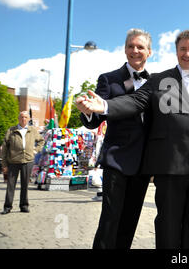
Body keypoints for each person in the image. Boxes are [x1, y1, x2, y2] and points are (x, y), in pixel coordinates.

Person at [76, 30, 189, 249]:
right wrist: (103, 106)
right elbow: (134, 102)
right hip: (166, 167)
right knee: (162, 228)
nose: (187, 54)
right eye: (182, 49)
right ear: (176, 51)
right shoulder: (159, 80)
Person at [77, 28, 153, 249]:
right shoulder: (109, 79)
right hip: (116, 160)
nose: (135, 50)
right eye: (131, 46)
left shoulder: (156, 83)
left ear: (149, 51)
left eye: (140, 47)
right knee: (110, 221)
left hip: (143, 164)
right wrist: (87, 110)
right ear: (125, 49)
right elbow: (94, 120)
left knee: (130, 222)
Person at [0, 111, 44, 214]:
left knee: (25, 184)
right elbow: (5, 148)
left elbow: (41, 141)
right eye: (21, 117)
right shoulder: (11, 130)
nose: (23, 119)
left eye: (25, 117)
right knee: (11, 185)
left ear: (28, 119)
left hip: (27, 161)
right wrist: (4, 164)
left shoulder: (32, 130)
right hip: (13, 161)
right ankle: (7, 207)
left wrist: (35, 150)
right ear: (18, 118)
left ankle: (24, 206)